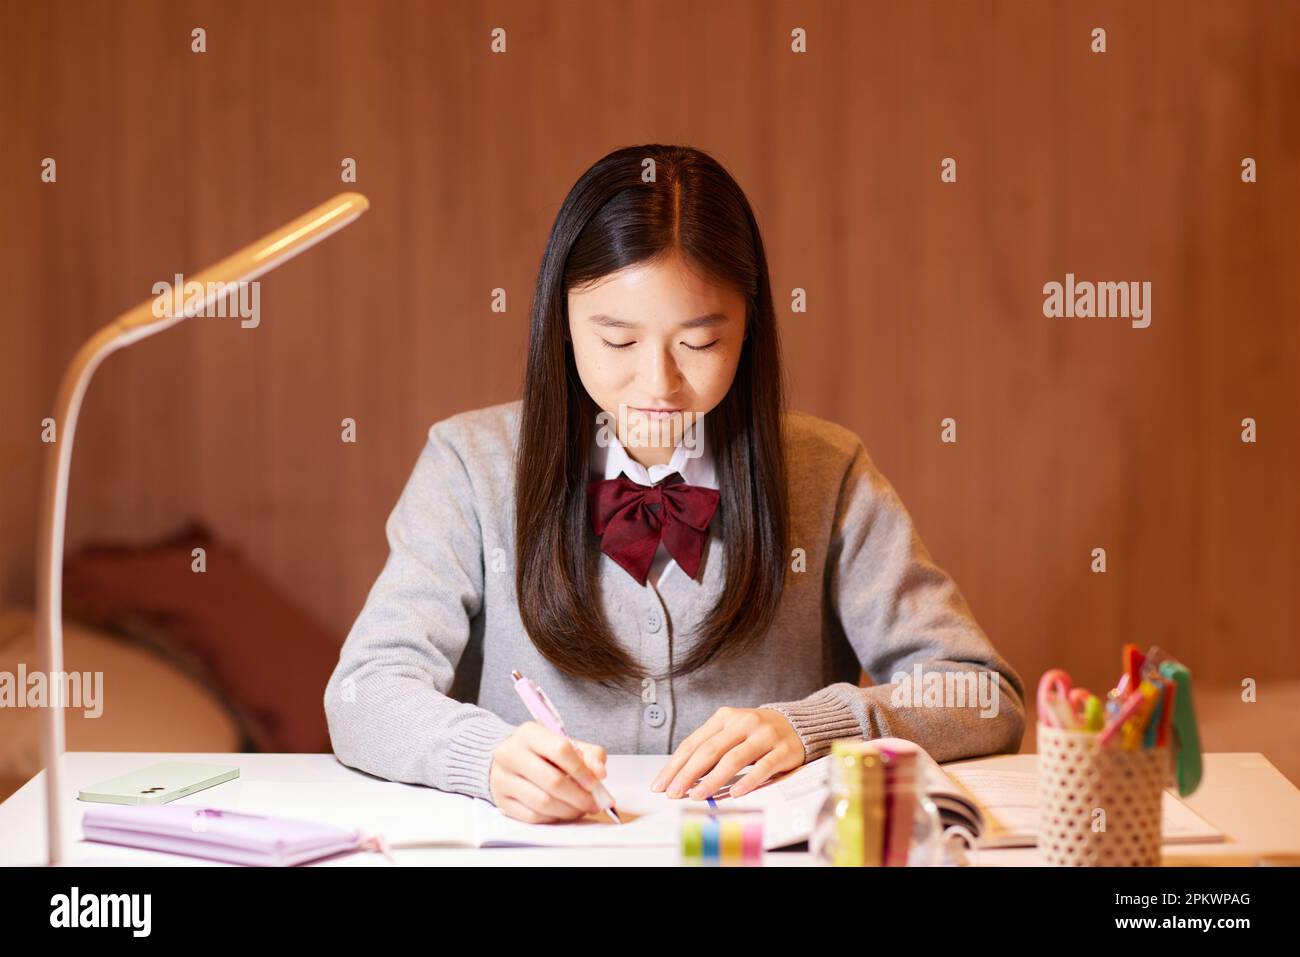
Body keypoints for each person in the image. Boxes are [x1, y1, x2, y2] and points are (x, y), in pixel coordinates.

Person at [324, 144, 1024, 824]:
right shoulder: (470, 465)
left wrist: (818, 725)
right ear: (561, 322)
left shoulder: (826, 470)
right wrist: (484, 757)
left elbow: (985, 694)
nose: (657, 384)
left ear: (749, 327)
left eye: (699, 342)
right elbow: (363, 691)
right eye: (618, 340)